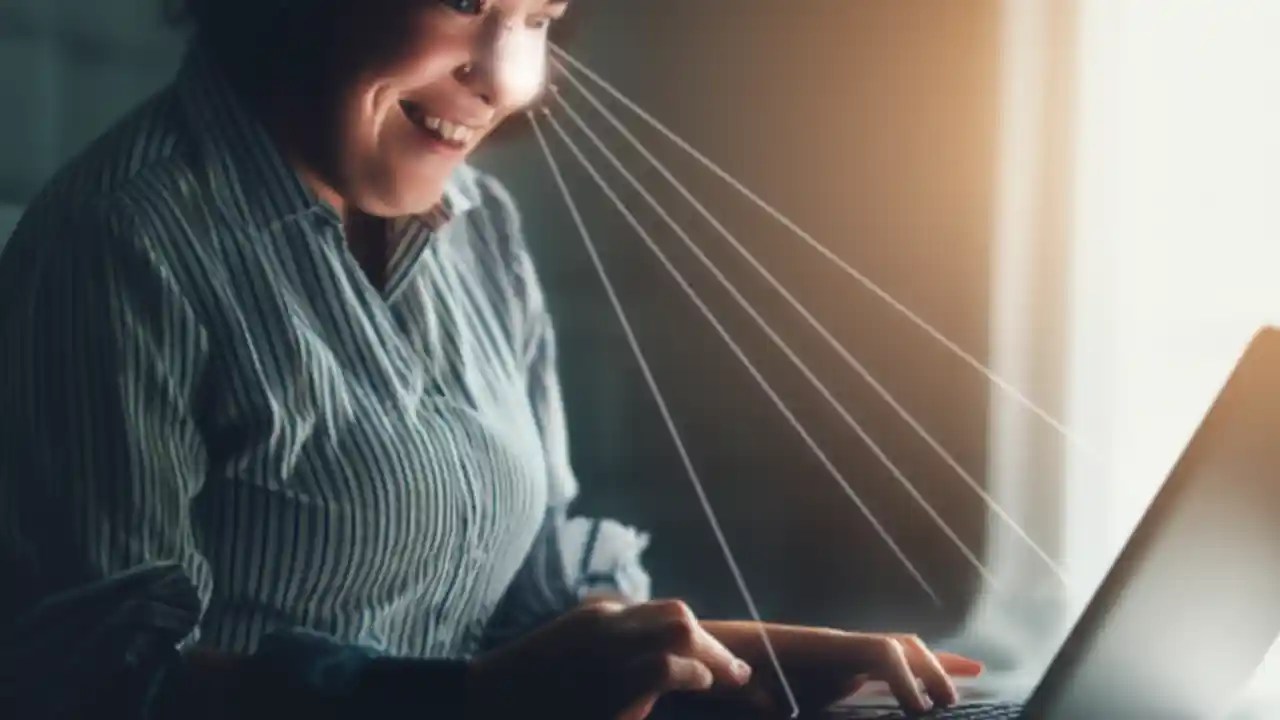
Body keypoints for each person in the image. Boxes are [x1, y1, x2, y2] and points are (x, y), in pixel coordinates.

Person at [0, 0, 982, 717]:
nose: (512, 82)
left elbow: (528, 608)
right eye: (467, 2)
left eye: (541, 17)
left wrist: (741, 662)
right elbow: (97, 685)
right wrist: (470, 699)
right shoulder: (122, 242)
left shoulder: (482, 227)